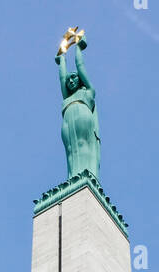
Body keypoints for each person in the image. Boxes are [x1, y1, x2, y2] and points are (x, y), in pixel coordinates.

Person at [55, 38, 100, 180]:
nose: (70, 81)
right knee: (69, 150)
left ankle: (86, 174)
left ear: (80, 79)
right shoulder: (67, 98)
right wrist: (61, 59)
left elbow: (80, 66)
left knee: (83, 144)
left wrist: (78, 48)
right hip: (67, 120)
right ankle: (72, 177)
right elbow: (62, 78)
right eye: (69, 80)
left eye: (73, 77)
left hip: (82, 115)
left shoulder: (88, 92)